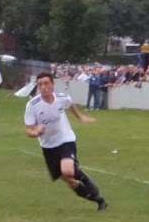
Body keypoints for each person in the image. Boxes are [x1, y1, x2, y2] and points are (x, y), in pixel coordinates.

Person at [24, 71, 107, 211]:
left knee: (68, 171)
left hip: (65, 139)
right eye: (40, 85)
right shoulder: (32, 105)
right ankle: (98, 200)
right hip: (48, 146)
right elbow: (29, 130)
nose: (43, 87)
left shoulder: (62, 98)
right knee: (69, 180)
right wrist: (36, 132)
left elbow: (70, 104)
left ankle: (86, 179)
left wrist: (80, 117)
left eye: (46, 83)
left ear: (53, 85)